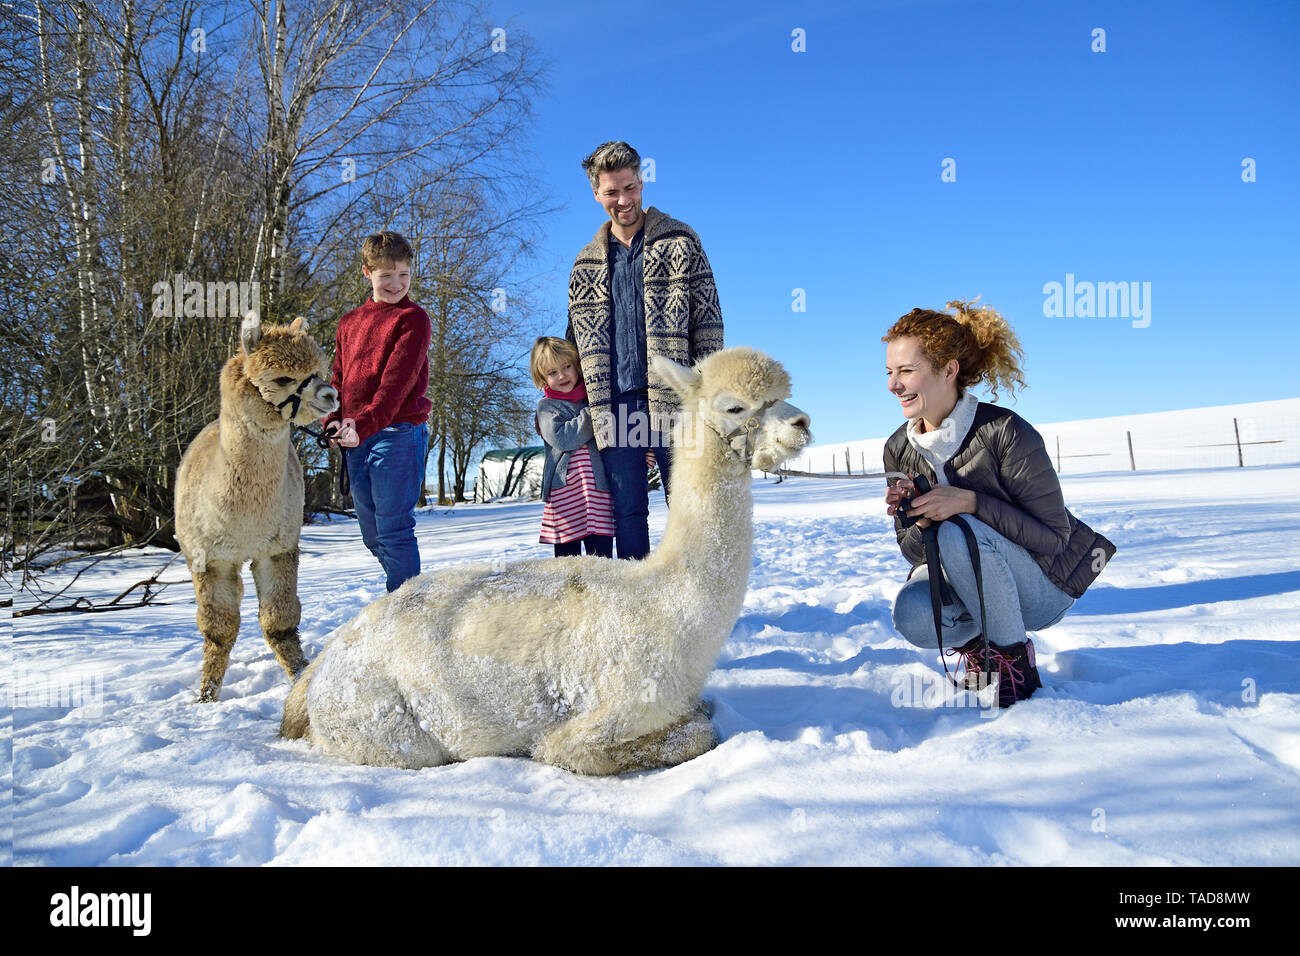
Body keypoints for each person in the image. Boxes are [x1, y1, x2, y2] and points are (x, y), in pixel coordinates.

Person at [882, 300, 1116, 707]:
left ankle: (1014, 663)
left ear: (948, 370)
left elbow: (1053, 538)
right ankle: (981, 651)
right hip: (970, 586)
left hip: (1042, 586)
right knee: (913, 612)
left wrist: (970, 501)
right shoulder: (899, 448)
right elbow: (912, 554)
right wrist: (918, 522)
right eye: (889, 372)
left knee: (959, 530)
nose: (893, 384)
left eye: (906, 370)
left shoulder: (1004, 431)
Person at [566, 140, 724, 560]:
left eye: (631, 187)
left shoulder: (680, 241)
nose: (623, 200)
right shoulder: (584, 265)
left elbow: (708, 326)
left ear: (642, 181)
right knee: (628, 512)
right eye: (612, 192)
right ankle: (639, 609)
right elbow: (575, 346)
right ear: (596, 194)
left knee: (689, 507)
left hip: (677, 398)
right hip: (614, 403)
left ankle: (698, 604)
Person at [323, 230, 432, 592]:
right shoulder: (349, 323)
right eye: (386, 276)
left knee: (394, 528)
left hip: (397, 434)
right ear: (367, 273)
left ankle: (406, 610)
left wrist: (362, 425)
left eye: (404, 274)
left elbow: (395, 386)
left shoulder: (413, 319)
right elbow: (337, 378)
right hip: (358, 436)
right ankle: (409, 593)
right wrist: (332, 420)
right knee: (372, 534)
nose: (396, 283)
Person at [531, 336, 615, 559]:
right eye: (552, 372)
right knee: (568, 563)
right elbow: (562, 438)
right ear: (542, 379)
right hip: (566, 494)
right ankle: (570, 594)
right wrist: (593, 414)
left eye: (567, 367)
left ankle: (599, 594)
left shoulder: (592, 398)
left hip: (597, 491)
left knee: (601, 558)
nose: (561, 375)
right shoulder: (547, 407)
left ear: (577, 366)